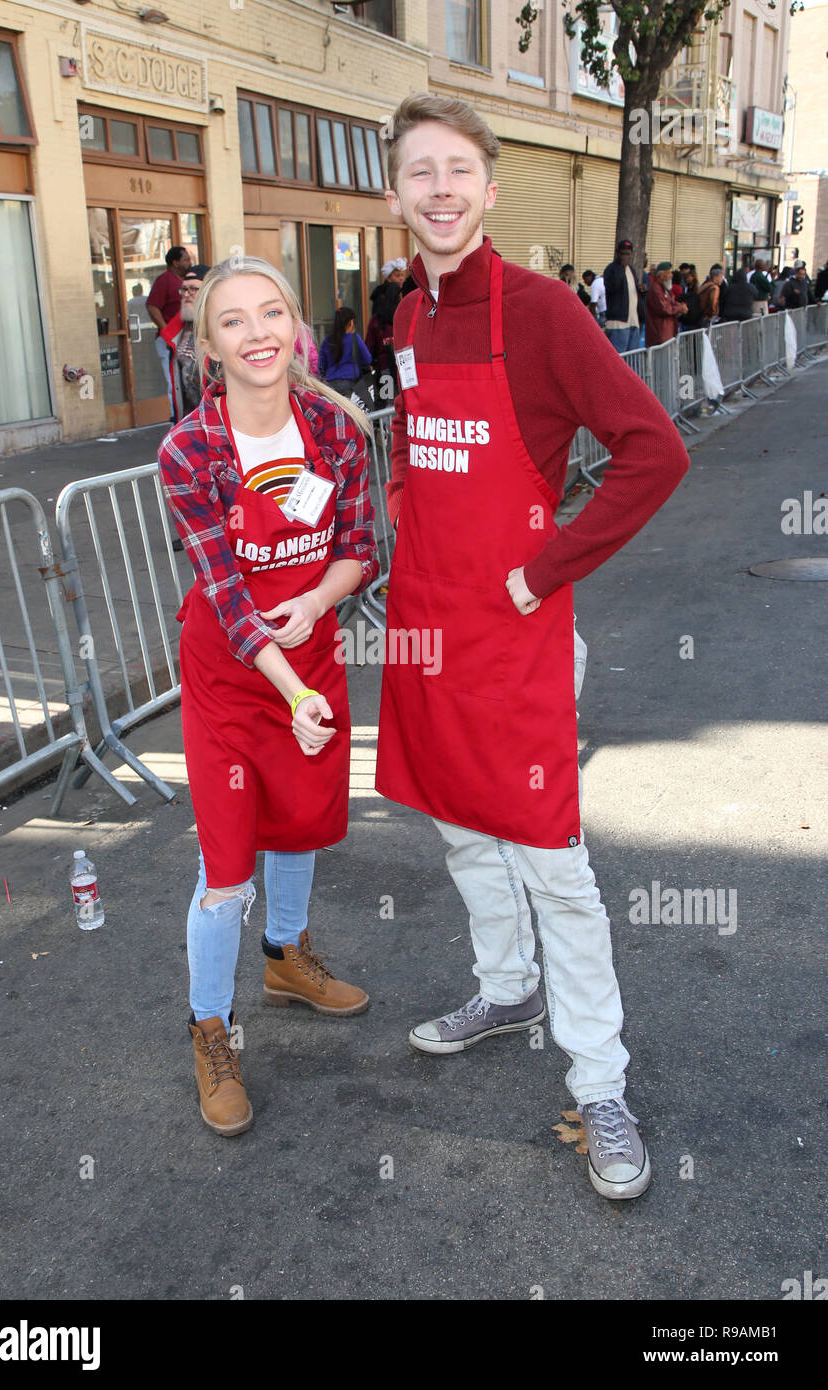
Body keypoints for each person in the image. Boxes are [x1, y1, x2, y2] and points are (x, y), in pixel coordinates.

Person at [375, 93, 689, 1202]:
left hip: (516, 638)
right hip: (431, 632)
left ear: (488, 186)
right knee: (462, 833)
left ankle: (600, 1079)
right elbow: (418, 454)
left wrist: (542, 567)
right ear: (398, 191)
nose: (442, 190)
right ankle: (505, 990)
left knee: (554, 864)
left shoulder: (545, 311)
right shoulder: (405, 319)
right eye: (421, 172)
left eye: (459, 169)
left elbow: (654, 452)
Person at [157, 256, 378, 1137]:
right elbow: (222, 589)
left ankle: (287, 957)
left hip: (309, 654)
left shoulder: (336, 428)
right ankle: (210, 1026)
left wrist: (320, 600)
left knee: (300, 817)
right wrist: (287, 688)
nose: (258, 334)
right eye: (235, 321)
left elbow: (361, 546)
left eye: (273, 313)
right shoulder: (189, 450)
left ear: (297, 326)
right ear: (208, 344)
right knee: (226, 865)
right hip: (230, 674)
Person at [160, 263, 212, 425]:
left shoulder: (220, 328)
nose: (187, 294)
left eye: (193, 289)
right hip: (190, 420)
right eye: (184, 289)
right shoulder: (178, 331)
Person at [147, 246, 192, 397]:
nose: (189, 263)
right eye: (186, 260)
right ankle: (176, 418)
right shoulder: (164, 280)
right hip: (170, 339)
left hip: (184, 339)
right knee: (173, 382)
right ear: (175, 263)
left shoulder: (185, 281)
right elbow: (152, 306)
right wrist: (166, 332)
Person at [365, 259, 407, 397]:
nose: (401, 278)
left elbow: (370, 345)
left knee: (388, 401)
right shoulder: (402, 313)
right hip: (398, 365)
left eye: (402, 275)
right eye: (397, 275)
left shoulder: (377, 320)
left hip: (387, 365)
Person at [317, 308, 373, 397]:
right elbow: (367, 359)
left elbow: (321, 366)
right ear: (351, 322)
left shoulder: (327, 340)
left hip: (330, 384)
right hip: (350, 382)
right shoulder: (355, 338)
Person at [602, 239, 641, 352]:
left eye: (628, 254)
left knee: (632, 358)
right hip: (618, 323)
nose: (625, 257)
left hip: (633, 320)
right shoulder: (611, 269)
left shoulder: (631, 270)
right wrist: (620, 268)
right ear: (618, 253)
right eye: (622, 254)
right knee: (620, 358)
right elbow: (612, 288)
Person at [645, 261, 687, 345]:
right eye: (669, 273)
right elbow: (663, 308)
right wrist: (679, 308)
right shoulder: (656, 289)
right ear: (661, 275)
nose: (671, 275)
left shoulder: (665, 288)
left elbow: (671, 302)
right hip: (659, 334)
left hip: (667, 333)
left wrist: (681, 306)